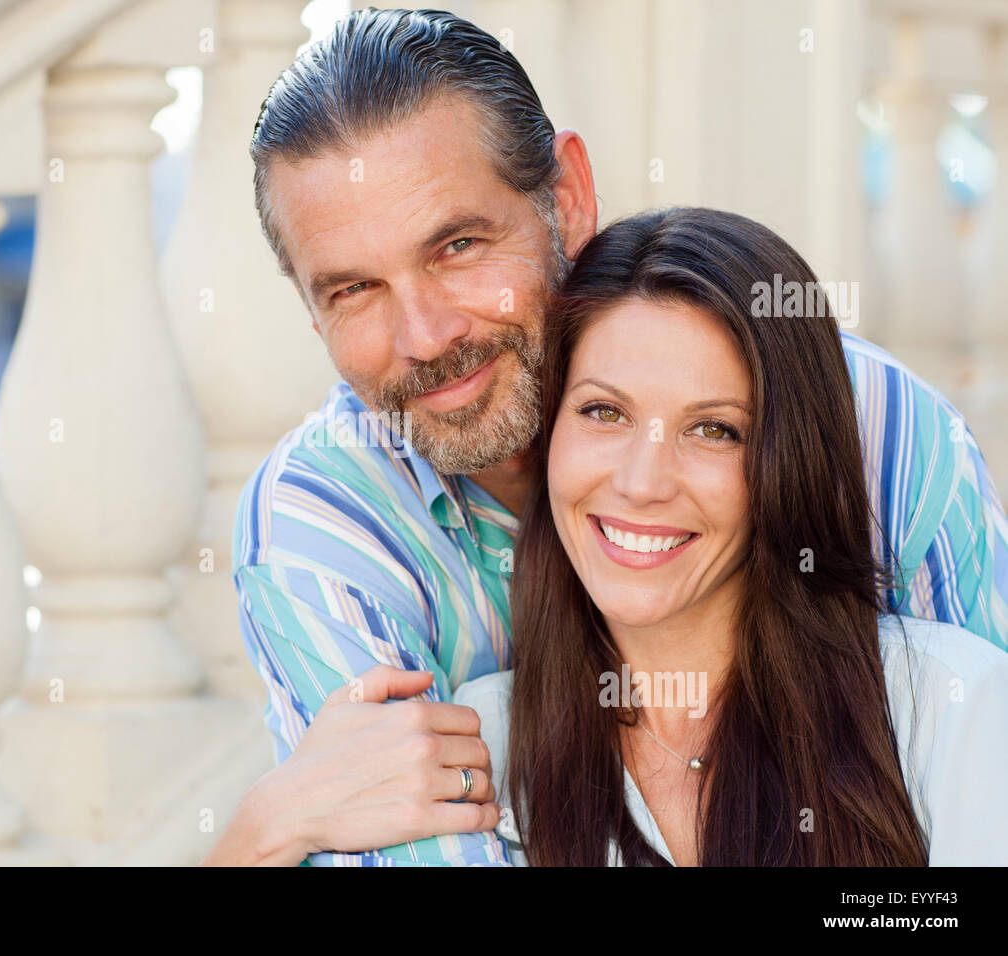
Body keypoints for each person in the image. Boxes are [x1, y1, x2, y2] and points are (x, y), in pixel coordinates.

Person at [202, 8, 1008, 867]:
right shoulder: (328, 528)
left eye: (459, 245)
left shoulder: (880, 427)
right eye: (354, 289)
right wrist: (263, 833)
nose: (426, 335)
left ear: (568, 197)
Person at [450, 206, 1008, 866]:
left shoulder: (950, 711)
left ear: (786, 461)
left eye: (713, 429)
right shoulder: (484, 741)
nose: (642, 482)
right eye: (604, 411)